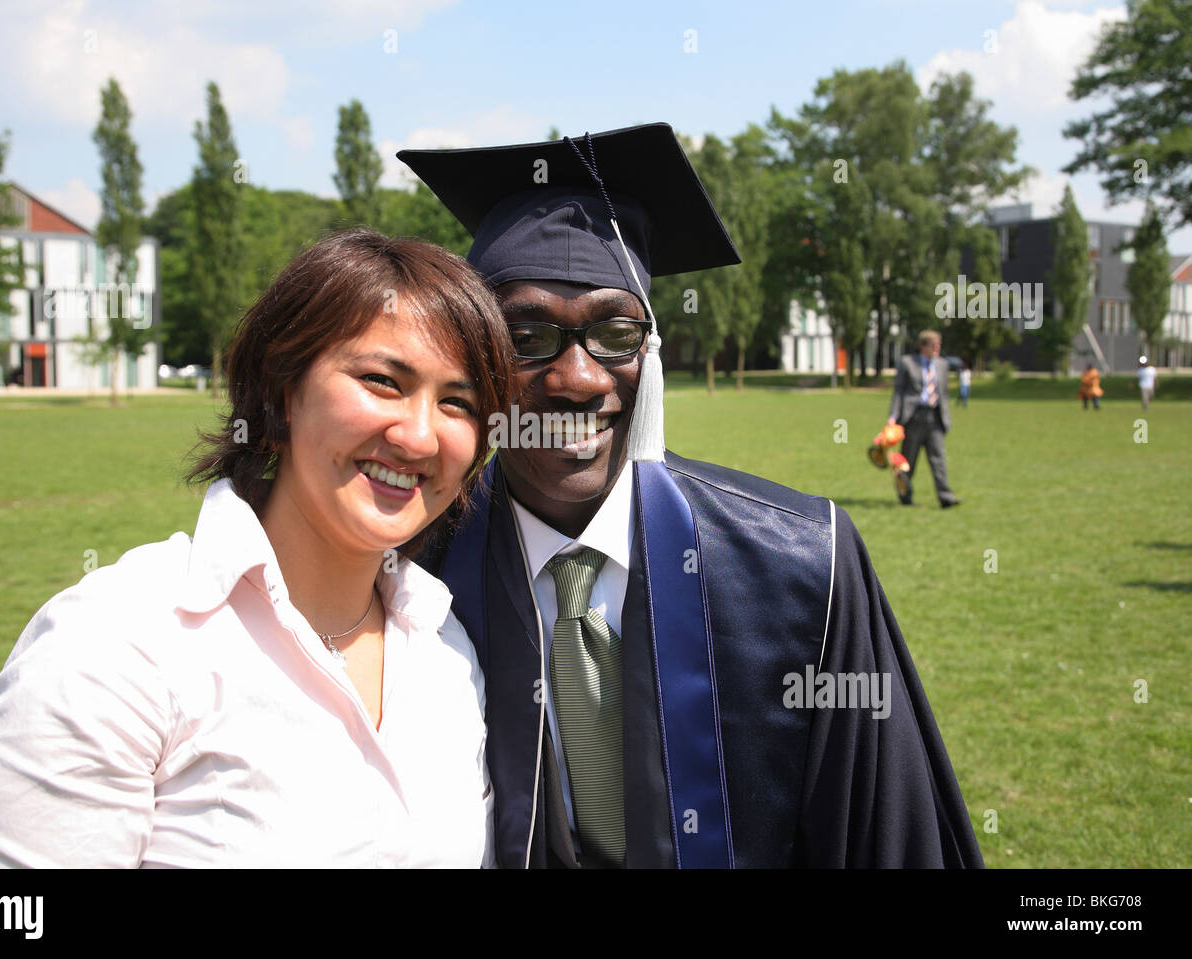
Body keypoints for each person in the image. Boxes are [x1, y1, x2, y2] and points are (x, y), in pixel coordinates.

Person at [400, 124, 982, 867]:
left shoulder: (806, 570)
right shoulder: (411, 579)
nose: (578, 378)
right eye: (525, 332)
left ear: (649, 356)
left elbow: (887, 842)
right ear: (475, 359)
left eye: (614, 330)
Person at [0, 230, 515, 867]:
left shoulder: (445, 648)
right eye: (382, 381)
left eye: (457, 402)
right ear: (282, 390)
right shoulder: (116, 645)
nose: (419, 437)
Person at [888, 330, 961, 508]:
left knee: (939, 458)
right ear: (923, 345)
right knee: (908, 461)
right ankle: (905, 495)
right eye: (933, 345)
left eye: (939, 345)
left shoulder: (942, 365)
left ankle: (945, 497)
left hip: (935, 418)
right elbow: (898, 391)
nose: (937, 348)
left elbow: (943, 393)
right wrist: (893, 417)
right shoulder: (907, 363)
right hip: (913, 417)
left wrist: (946, 417)